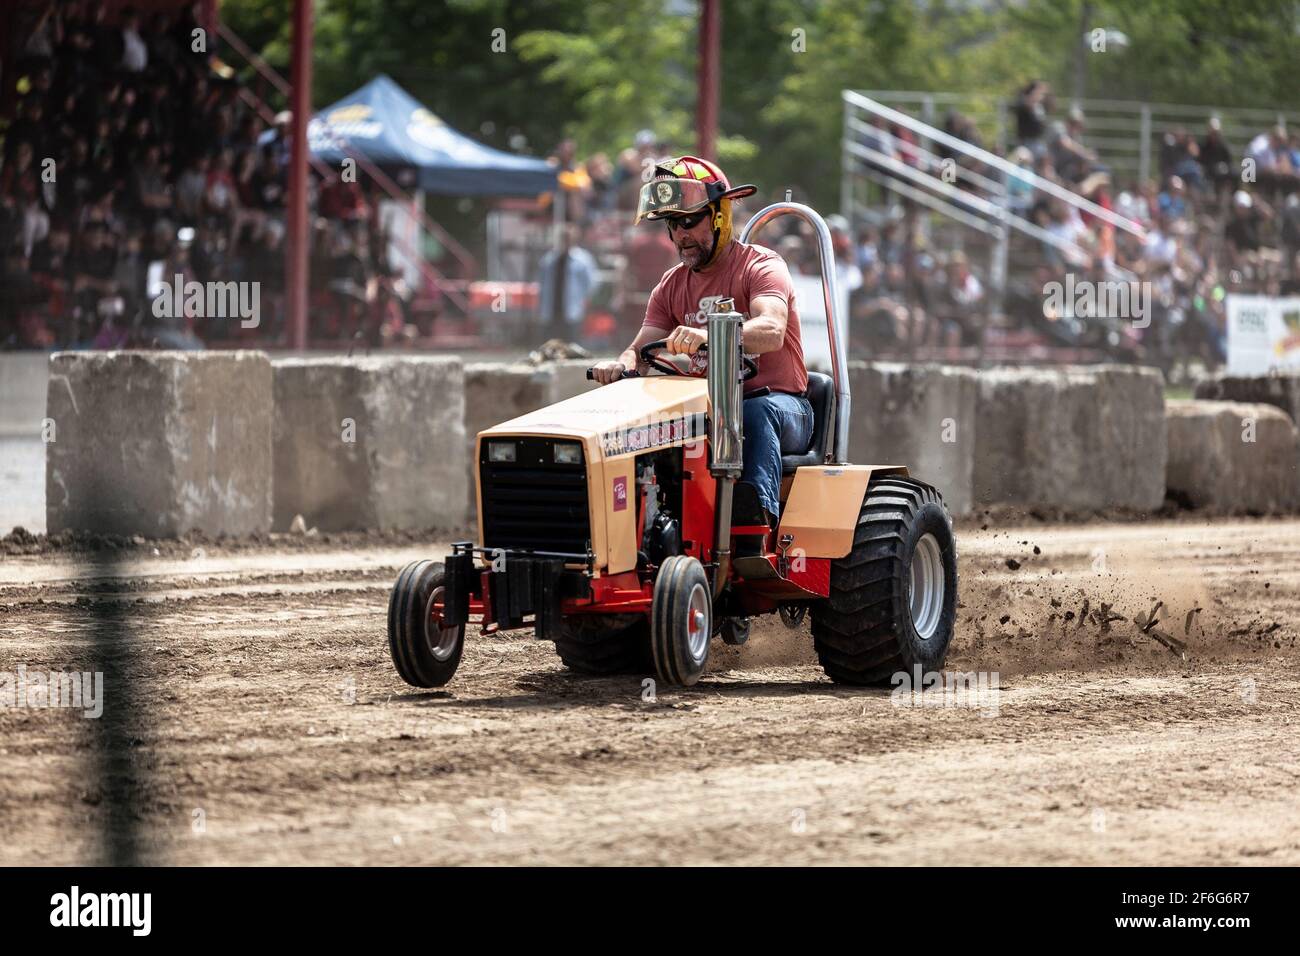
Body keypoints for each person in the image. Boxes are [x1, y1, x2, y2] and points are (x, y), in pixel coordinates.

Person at [589, 155, 811, 527]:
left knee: (751, 412)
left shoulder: (761, 266)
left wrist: (711, 335)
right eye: (673, 224)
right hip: (709, 409)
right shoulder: (671, 284)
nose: (680, 235)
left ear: (720, 216)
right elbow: (639, 351)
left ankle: (751, 524)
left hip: (781, 405)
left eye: (689, 221)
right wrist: (621, 366)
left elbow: (771, 330)